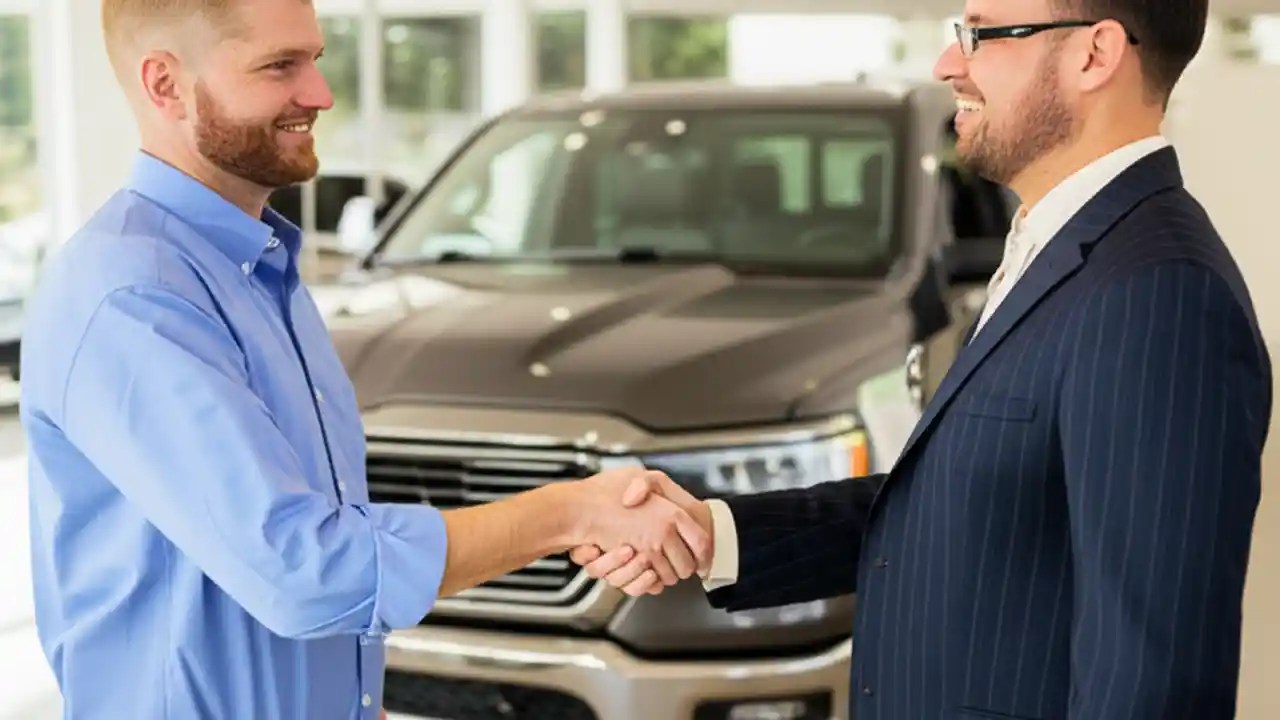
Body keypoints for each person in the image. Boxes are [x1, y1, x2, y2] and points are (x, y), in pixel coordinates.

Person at [574, 0, 1274, 717]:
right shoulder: (1056, 247)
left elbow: (1153, 684)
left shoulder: (1160, 293)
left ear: (1093, 55)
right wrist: (711, 535)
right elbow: (957, 504)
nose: (948, 65)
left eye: (982, 35)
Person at [18, 1, 706, 718]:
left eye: (314, 58)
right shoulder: (135, 294)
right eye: (280, 66)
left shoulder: (260, 273)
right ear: (164, 84)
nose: (320, 93)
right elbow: (305, 570)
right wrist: (568, 514)